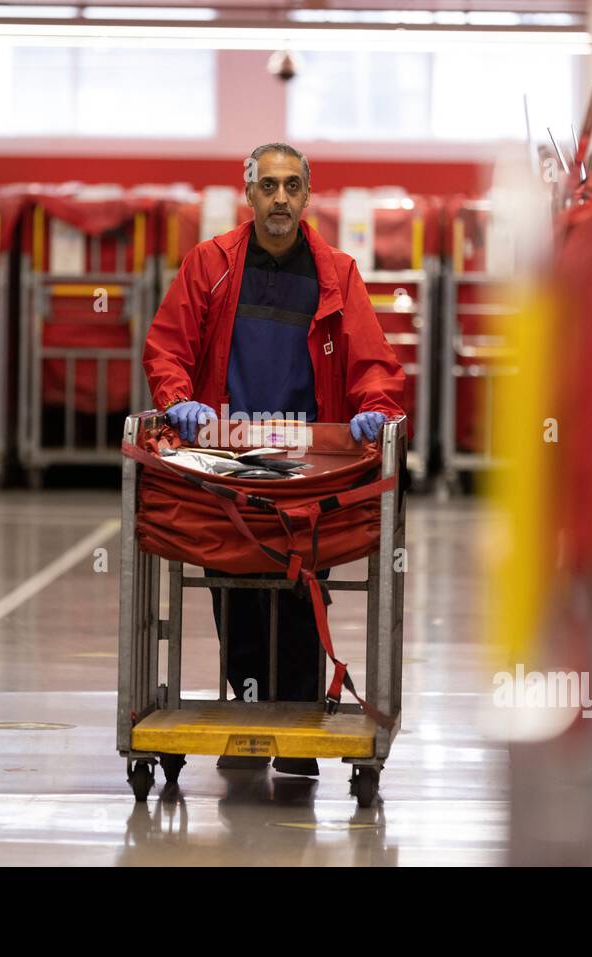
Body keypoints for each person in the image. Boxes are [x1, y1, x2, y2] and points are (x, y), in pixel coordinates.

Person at [142, 142, 405, 776]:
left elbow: (373, 364)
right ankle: (247, 716)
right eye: (268, 186)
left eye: (292, 186)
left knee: (296, 584)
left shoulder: (337, 272)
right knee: (232, 585)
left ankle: (297, 726)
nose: (280, 198)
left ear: (307, 195)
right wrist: (178, 402)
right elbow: (168, 347)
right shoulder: (211, 265)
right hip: (226, 463)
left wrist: (374, 410)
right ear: (250, 194)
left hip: (309, 468)